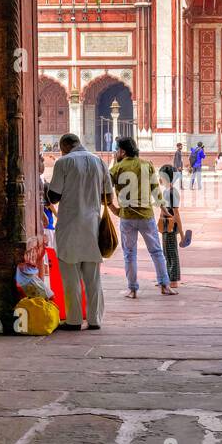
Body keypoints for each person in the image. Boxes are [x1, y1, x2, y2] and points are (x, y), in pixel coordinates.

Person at [47, 132, 113, 331]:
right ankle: (94, 320)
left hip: (69, 225)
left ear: (64, 147)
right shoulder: (99, 162)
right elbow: (108, 197)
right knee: (93, 277)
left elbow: (54, 196)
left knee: (71, 277)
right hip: (92, 226)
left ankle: (74, 320)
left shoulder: (63, 163)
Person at [109, 136, 177, 298]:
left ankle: (132, 289)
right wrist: (163, 208)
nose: (116, 153)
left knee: (129, 254)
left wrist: (112, 208)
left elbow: (104, 189)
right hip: (146, 215)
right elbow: (155, 188)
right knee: (156, 251)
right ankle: (165, 285)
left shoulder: (116, 169)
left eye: (117, 150)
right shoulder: (147, 165)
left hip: (127, 217)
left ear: (122, 151)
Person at [157, 163, 185, 289]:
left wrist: (182, 234)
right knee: (166, 252)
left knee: (171, 252)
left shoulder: (172, 193)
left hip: (170, 226)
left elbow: (176, 213)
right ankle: (167, 277)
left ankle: (173, 280)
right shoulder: (167, 192)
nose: (159, 179)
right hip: (165, 226)